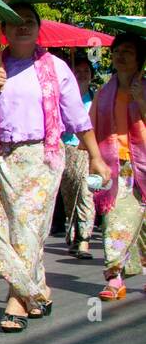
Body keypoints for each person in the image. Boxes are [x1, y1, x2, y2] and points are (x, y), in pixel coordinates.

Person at [0, 3, 109, 332]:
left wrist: (96, 157)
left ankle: (16, 298)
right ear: (4, 29)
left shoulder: (56, 68)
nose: (22, 28)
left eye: (29, 22)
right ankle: (39, 289)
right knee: (10, 228)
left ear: (38, 27)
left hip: (43, 158)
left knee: (28, 227)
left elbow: (77, 117)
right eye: (14, 23)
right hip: (2, 157)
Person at [90, 32, 146, 301]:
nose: (121, 56)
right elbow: (91, 129)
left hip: (144, 164)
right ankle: (114, 277)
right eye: (117, 51)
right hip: (116, 165)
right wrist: (93, 160)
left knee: (142, 224)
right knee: (113, 219)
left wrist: (142, 101)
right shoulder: (103, 92)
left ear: (139, 59)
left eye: (129, 51)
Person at [58, 53, 97, 257]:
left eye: (86, 71)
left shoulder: (96, 96)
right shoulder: (64, 98)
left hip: (86, 151)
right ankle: (74, 236)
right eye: (78, 71)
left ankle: (85, 239)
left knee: (85, 194)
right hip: (66, 149)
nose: (82, 75)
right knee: (70, 195)